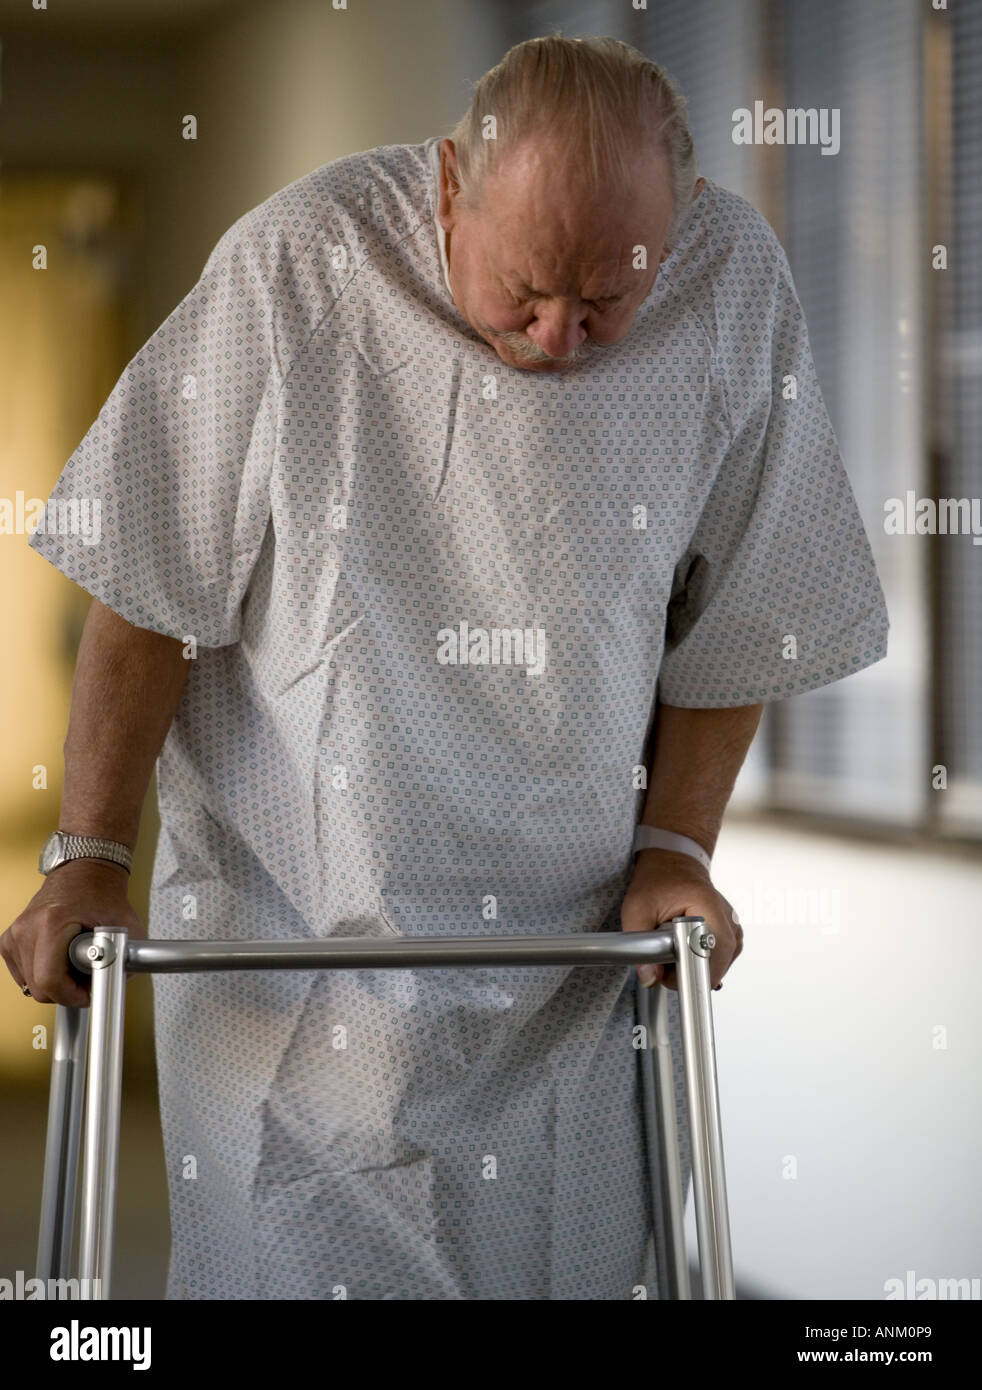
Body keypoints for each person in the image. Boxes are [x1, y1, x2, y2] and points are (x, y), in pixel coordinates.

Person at [2, 34, 888, 1299]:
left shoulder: (732, 284)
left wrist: (674, 849)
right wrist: (89, 854)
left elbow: (749, 610)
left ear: (681, 213)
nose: (561, 335)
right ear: (450, 186)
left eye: (607, 299)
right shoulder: (297, 264)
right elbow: (148, 580)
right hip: (296, 949)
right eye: (526, 289)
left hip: (571, 973)